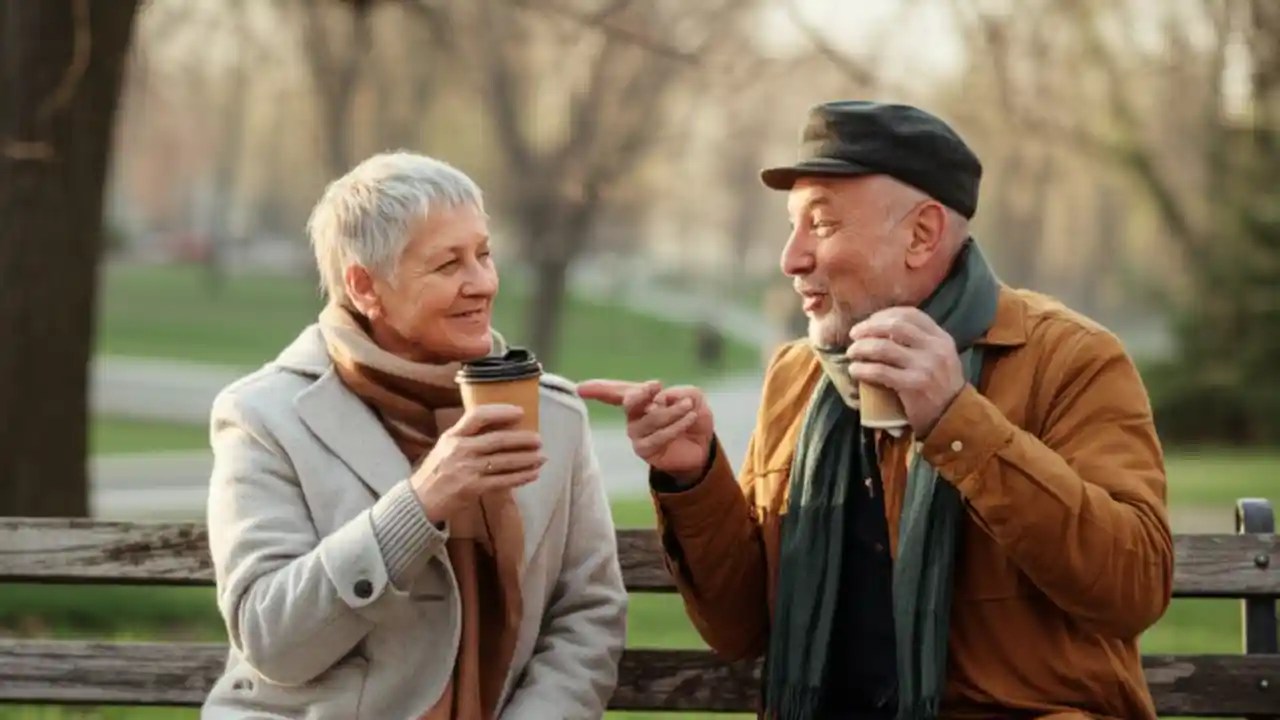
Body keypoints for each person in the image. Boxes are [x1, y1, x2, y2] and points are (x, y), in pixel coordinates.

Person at [579, 101, 1172, 719]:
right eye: (792, 226)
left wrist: (958, 420)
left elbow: (1133, 588)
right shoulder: (796, 377)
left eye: (823, 225)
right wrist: (692, 475)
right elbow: (741, 629)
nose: (791, 258)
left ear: (922, 234)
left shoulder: (1070, 359)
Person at [203, 152, 626, 719]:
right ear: (364, 286)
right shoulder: (263, 417)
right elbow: (271, 641)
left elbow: (588, 614)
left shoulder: (556, 414)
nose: (482, 283)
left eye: (484, 254)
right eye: (449, 265)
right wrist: (422, 501)